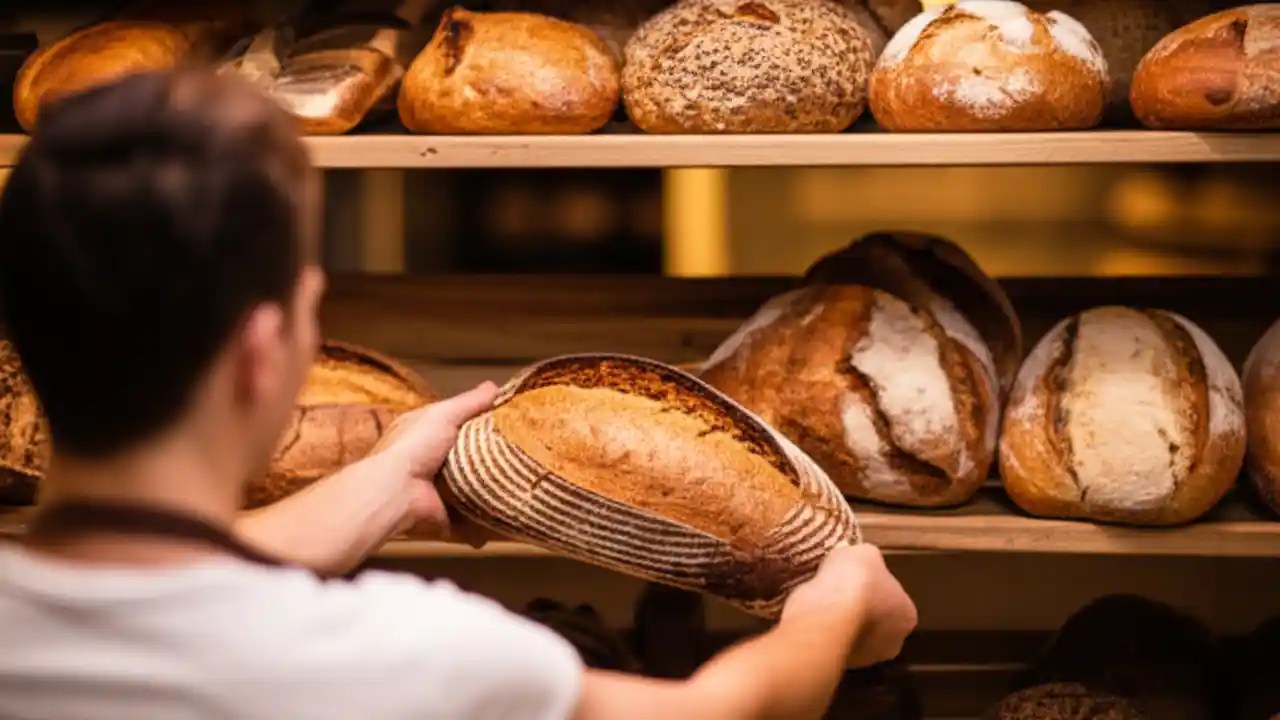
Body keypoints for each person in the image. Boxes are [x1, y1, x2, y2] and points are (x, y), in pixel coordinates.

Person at [0, 69, 917, 719]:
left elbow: (158, 593)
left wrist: (378, 487)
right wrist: (836, 604)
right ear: (259, 355)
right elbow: (717, 712)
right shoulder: (405, 657)